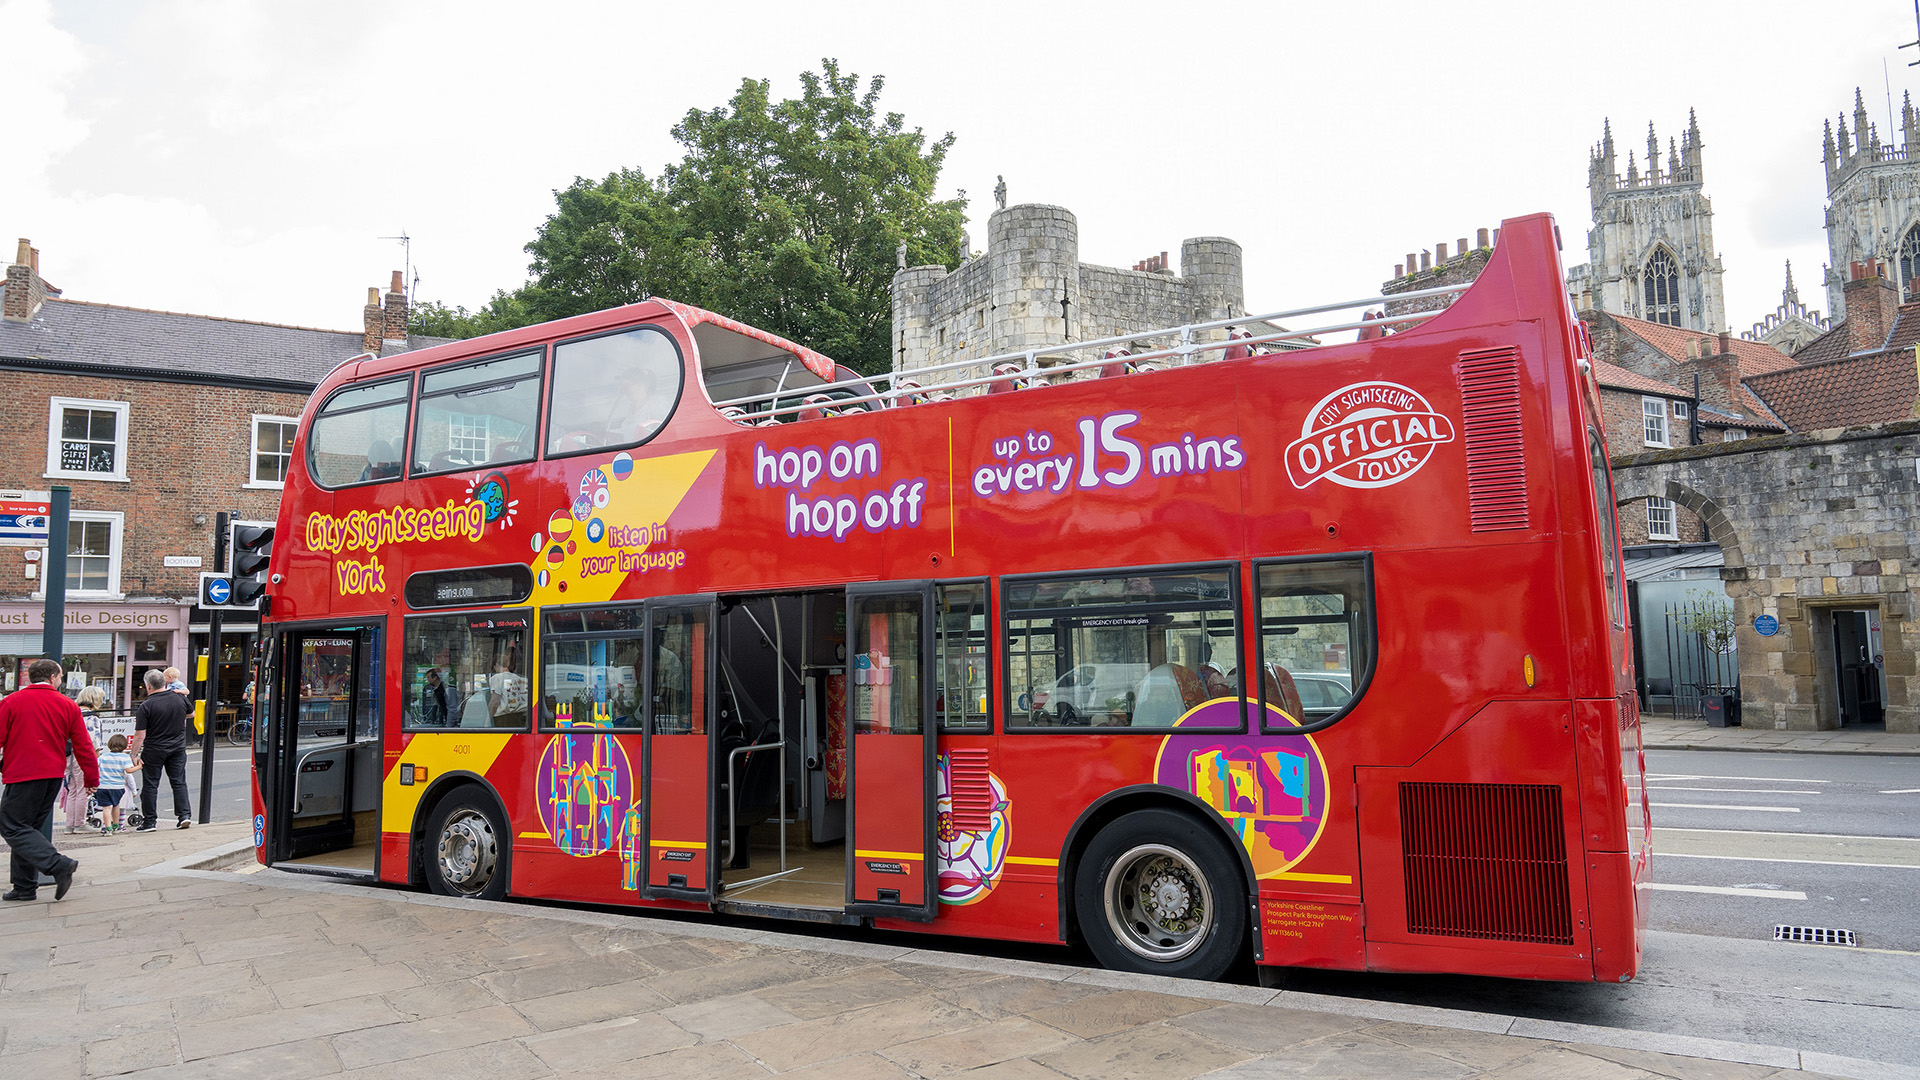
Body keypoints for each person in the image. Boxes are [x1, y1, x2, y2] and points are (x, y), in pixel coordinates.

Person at [0, 659, 95, 901]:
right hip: (52, 775)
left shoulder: (10, 702)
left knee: (12, 826)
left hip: (22, 774)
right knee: (27, 829)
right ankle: (24, 886)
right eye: (61, 676)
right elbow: (84, 746)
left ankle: (57, 865)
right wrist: (91, 778)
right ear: (53, 677)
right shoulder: (67, 705)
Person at [130, 669, 192, 830]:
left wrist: (133, 754)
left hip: (154, 749)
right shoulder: (179, 699)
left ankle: (150, 821)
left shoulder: (146, 706)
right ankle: (184, 815)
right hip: (178, 747)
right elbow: (191, 714)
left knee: (151, 785)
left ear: (148, 686)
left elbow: (139, 735)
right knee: (179, 782)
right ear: (164, 683)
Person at [62, 686, 108, 833]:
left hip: (68, 754)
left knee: (72, 790)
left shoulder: (71, 712)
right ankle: (80, 823)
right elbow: (94, 742)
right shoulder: (92, 717)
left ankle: (70, 824)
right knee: (84, 790)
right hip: (82, 756)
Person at [94, 734, 133, 833]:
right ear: (124, 746)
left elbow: (95, 767)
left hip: (103, 786)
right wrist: (139, 767)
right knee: (116, 805)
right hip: (118, 786)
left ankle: (108, 828)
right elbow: (128, 771)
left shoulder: (103, 757)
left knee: (106, 808)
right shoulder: (125, 757)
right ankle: (116, 826)